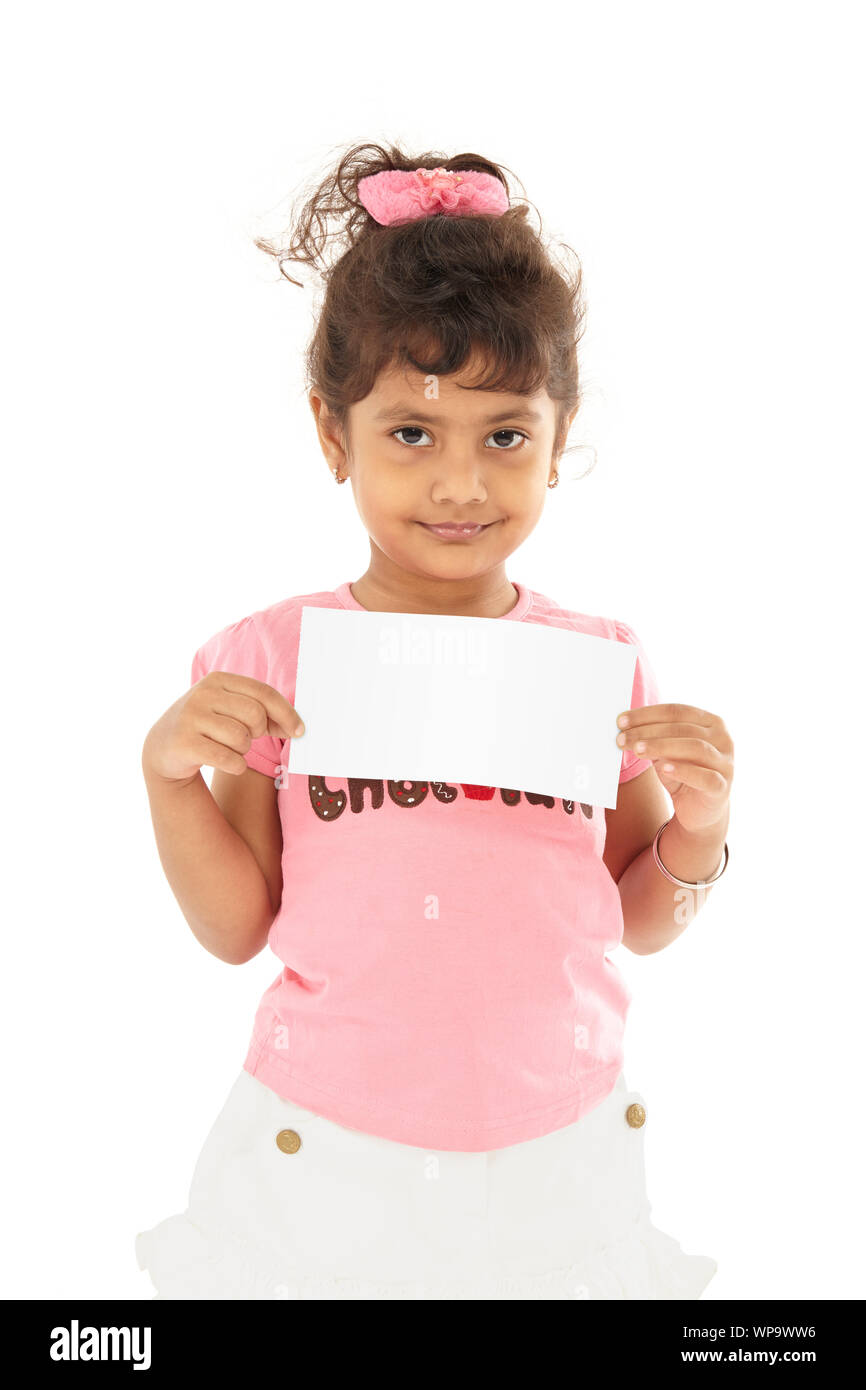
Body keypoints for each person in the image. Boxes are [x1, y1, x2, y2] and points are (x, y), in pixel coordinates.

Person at [135, 143, 733, 1299]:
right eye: (411, 433)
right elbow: (236, 926)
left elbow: (635, 916)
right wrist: (167, 777)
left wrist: (699, 833)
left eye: (503, 434)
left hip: (555, 1156)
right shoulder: (275, 658)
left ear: (557, 437)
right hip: (323, 1156)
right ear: (331, 434)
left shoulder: (595, 664)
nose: (460, 485)